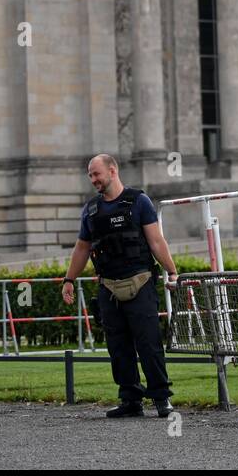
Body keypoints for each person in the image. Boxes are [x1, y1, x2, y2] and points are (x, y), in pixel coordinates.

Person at [61, 153, 179, 418]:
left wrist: (172, 272)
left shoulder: (139, 201)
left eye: (96, 174)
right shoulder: (91, 210)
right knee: (118, 346)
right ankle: (130, 399)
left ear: (112, 171)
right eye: (90, 175)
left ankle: (161, 398)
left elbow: (156, 242)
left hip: (141, 282)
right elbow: (82, 248)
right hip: (109, 287)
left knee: (149, 344)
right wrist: (69, 280)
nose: (93, 180)